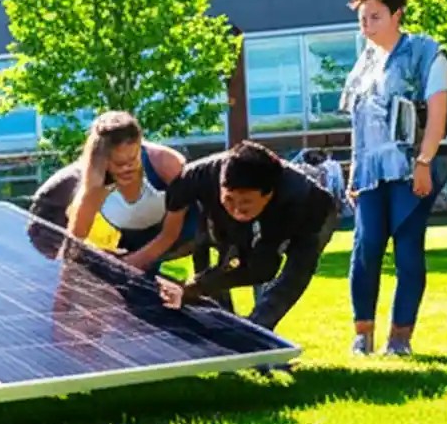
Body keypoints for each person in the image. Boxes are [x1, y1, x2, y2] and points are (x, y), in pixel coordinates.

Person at [340, 0, 447, 356]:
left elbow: (438, 112)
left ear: (396, 14)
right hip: (371, 173)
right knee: (366, 247)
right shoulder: (364, 62)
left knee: (407, 251)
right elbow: (358, 123)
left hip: (410, 169)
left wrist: (424, 162)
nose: (366, 25)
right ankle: (362, 334)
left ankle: (400, 338)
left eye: (374, 16)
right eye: (362, 18)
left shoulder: (426, 52)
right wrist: (354, 172)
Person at [123, 141, 338, 333]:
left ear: (268, 196)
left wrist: (193, 287)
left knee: (296, 271)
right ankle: (220, 321)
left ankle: (257, 330)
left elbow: (261, 271)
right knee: (211, 243)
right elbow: (171, 230)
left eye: (245, 203)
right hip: (221, 202)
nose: (236, 209)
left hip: (313, 217)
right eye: (229, 199)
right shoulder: (194, 178)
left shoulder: (295, 200)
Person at [59, 111, 196, 272]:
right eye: (119, 163)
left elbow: (170, 235)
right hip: (134, 241)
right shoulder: (94, 183)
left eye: (133, 159)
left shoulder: (167, 164)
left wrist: (128, 265)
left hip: (184, 233)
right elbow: (75, 240)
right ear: (103, 160)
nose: (127, 168)